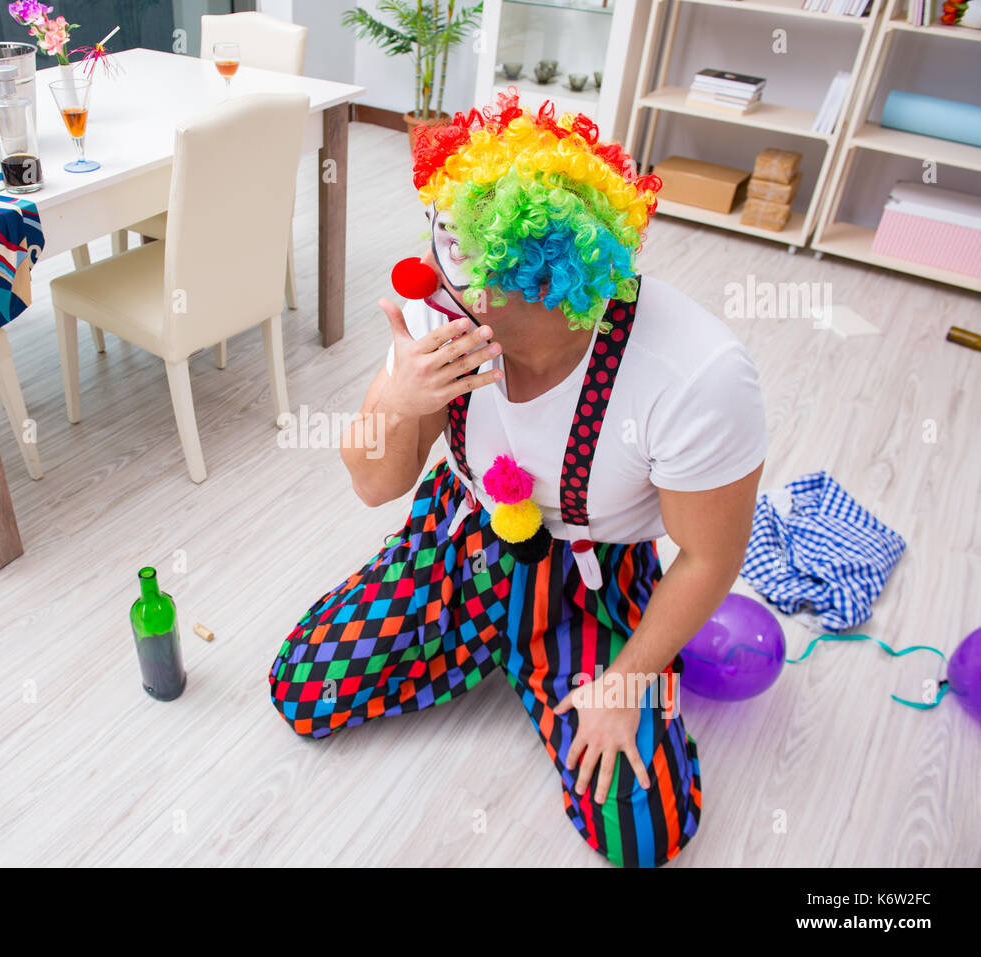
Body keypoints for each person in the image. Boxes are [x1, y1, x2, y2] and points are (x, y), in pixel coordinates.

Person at [267, 92, 768, 867]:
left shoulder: (697, 374)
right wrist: (399, 401)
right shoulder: (439, 316)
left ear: (540, 286)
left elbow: (708, 557)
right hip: (458, 540)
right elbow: (372, 483)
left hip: (593, 579)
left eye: (461, 265)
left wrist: (625, 680)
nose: (428, 279)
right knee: (301, 687)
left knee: (646, 831)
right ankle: (484, 651)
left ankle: (544, 662)